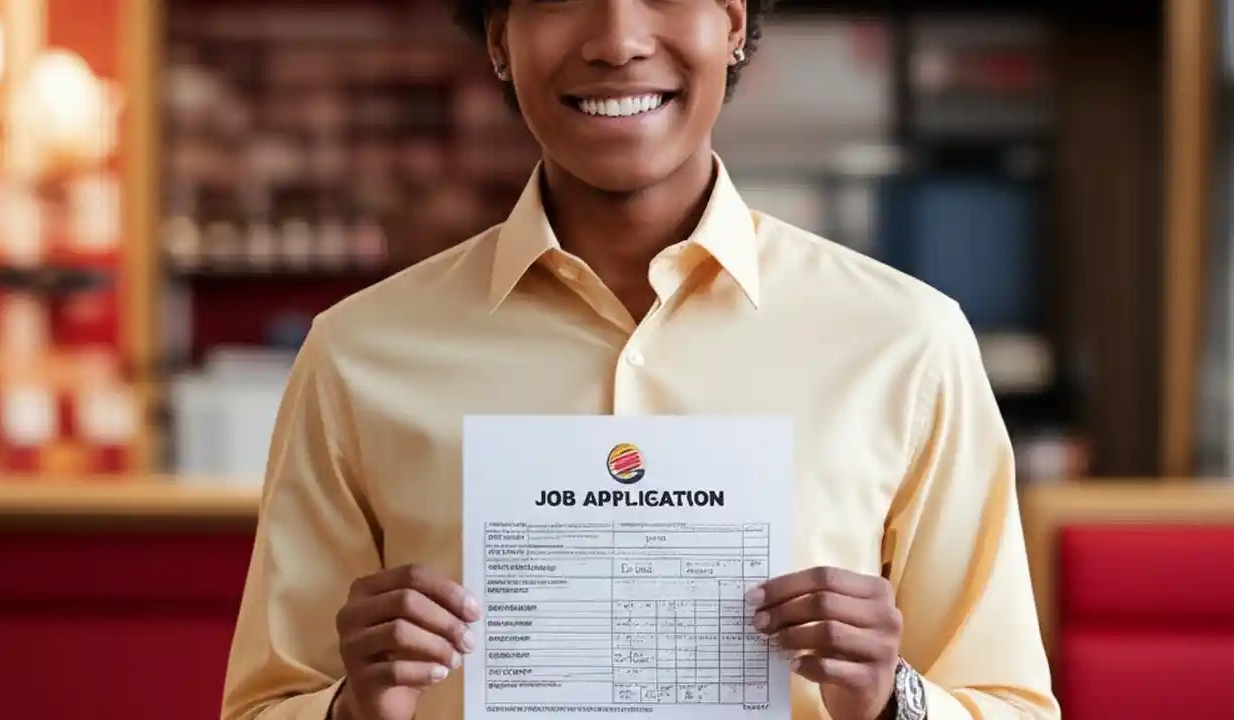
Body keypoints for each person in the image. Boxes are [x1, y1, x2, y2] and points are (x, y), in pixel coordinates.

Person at [221, 1, 1059, 719]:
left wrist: (889, 699)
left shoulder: (906, 343)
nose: (617, 40)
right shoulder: (358, 355)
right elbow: (265, 704)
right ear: (500, 38)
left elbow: (1008, 702)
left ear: (733, 21)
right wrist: (350, 708)